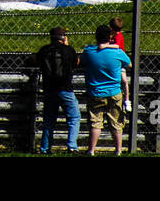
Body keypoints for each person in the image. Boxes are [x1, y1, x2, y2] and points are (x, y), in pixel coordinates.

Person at [80, 23, 131, 156]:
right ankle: (118, 150)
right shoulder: (117, 52)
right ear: (109, 37)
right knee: (116, 122)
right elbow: (129, 63)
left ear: (96, 37)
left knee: (95, 122)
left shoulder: (89, 52)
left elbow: (82, 61)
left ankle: (91, 150)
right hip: (114, 91)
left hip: (95, 92)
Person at [33, 27, 79, 154]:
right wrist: (67, 46)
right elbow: (77, 62)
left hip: (49, 89)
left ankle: (45, 148)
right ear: (64, 37)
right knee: (74, 118)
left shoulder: (44, 50)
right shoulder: (68, 50)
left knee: (48, 120)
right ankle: (72, 146)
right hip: (66, 89)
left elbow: (35, 60)